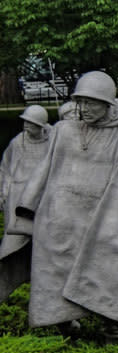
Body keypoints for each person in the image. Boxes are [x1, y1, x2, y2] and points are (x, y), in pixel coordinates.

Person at [9, 71, 118, 341]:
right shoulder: (62, 131)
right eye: (80, 102)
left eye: (91, 102)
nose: (84, 108)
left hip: (100, 223)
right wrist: (27, 210)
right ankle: (63, 324)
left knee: (106, 274)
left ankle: (115, 328)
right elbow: (44, 170)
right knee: (54, 277)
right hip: (57, 222)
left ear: (107, 103)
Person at [0, 105, 52, 302]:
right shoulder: (17, 142)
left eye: (31, 123)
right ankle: (12, 275)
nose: (26, 126)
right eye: (25, 122)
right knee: (14, 240)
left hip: (41, 198)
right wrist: (3, 192)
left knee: (42, 242)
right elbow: (5, 169)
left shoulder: (51, 143)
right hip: (16, 197)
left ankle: (42, 278)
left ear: (40, 125)